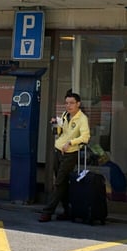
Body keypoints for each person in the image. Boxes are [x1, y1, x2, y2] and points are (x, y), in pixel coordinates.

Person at [39, 90, 92, 222]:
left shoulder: (82, 119)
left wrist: (71, 142)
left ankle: (47, 211)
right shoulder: (64, 115)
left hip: (70, 153)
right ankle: (68, 210)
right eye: (67, 103)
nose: (69, 106)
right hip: (58, 150)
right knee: (62, 183)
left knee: (59, 182)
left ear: (78, 104)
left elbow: (85, 137)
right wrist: (55, 125)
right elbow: (60, 132)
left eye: (72, 103)